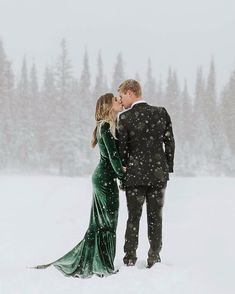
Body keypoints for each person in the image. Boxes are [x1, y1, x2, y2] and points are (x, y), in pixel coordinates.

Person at [32, 93, 126, 278]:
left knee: (100, 223)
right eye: (116, 100)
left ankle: (99, 262)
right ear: (108, 106)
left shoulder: (106, 126)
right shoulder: (105, 126)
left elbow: (114, 156)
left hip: (103, 178)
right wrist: (123, 177)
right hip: (106, 179)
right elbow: (113, 157)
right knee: (108, 221)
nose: (120, 101)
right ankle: (103, 265)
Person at [117, 79, 175, 268]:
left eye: (122, 95)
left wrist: (123, 171)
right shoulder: (160, 113)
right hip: (158, 174)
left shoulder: (125, 118)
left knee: (133, 216)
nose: (121, 100)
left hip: (134, 175)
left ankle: (130, 256)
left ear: (130, 92)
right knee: (155, 216)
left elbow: (122, 150)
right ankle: (154, 255)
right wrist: (167, 166)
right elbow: (170, 142)